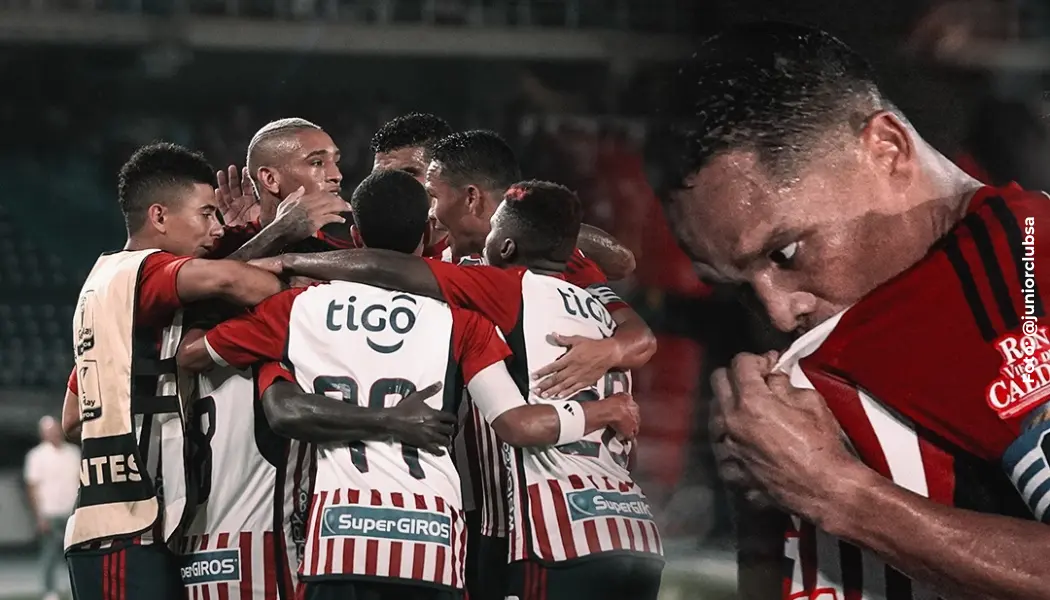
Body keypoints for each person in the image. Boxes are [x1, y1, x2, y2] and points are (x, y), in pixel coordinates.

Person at [653, 22, 1050, 599]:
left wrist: (839, 494)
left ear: (887, 150)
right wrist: (761, 504)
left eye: (786, 251)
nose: (778, 311)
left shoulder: (1028, 270)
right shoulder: (832, 359)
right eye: (736, 286)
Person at [176, 170, 642, 600]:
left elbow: (196, 357)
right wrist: (606, 409)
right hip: (436, 543)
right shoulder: (466, 322)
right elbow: (517, 422)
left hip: (339, 540)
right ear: (427, 238)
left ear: (356, 239)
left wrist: (252, 269)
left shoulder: (299, 308)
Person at [61, 142, 286, 600]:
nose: (215, 227)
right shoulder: (145, 270)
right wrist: (288, 242)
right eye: (205, 214)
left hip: (120, 525)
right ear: (159, 217)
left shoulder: (109, 291)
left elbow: (71, 420)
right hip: (127, 529)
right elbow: (234, 281)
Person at [426, 130, 636, 280]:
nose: (431, 213)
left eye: (435, 197)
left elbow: (623, 262)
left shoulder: (550, 259)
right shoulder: (439, 257)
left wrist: (541, 230)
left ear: (472, 198)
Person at [211, 118, 353, 255]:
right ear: (270, 179)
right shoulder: (214, 248)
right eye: (317, 163)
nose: (337, 176)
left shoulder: (348, 254)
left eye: (336, 162)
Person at [369, 112, 456, 258]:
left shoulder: (485, 259)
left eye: (408, 174)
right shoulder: (353, 257)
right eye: (380, 177)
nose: (390, 186)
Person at [25, 416, 80, 600]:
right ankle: (50, 591)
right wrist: (39, 516)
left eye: (56, 430)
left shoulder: (73, 453)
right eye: (49, 431)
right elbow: (32, 487)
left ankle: (76, 588)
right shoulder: (37, 456)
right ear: (43, 434)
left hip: (73, 511)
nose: (54, 434)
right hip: (50, 512)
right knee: (49, 554)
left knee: (76, 553)